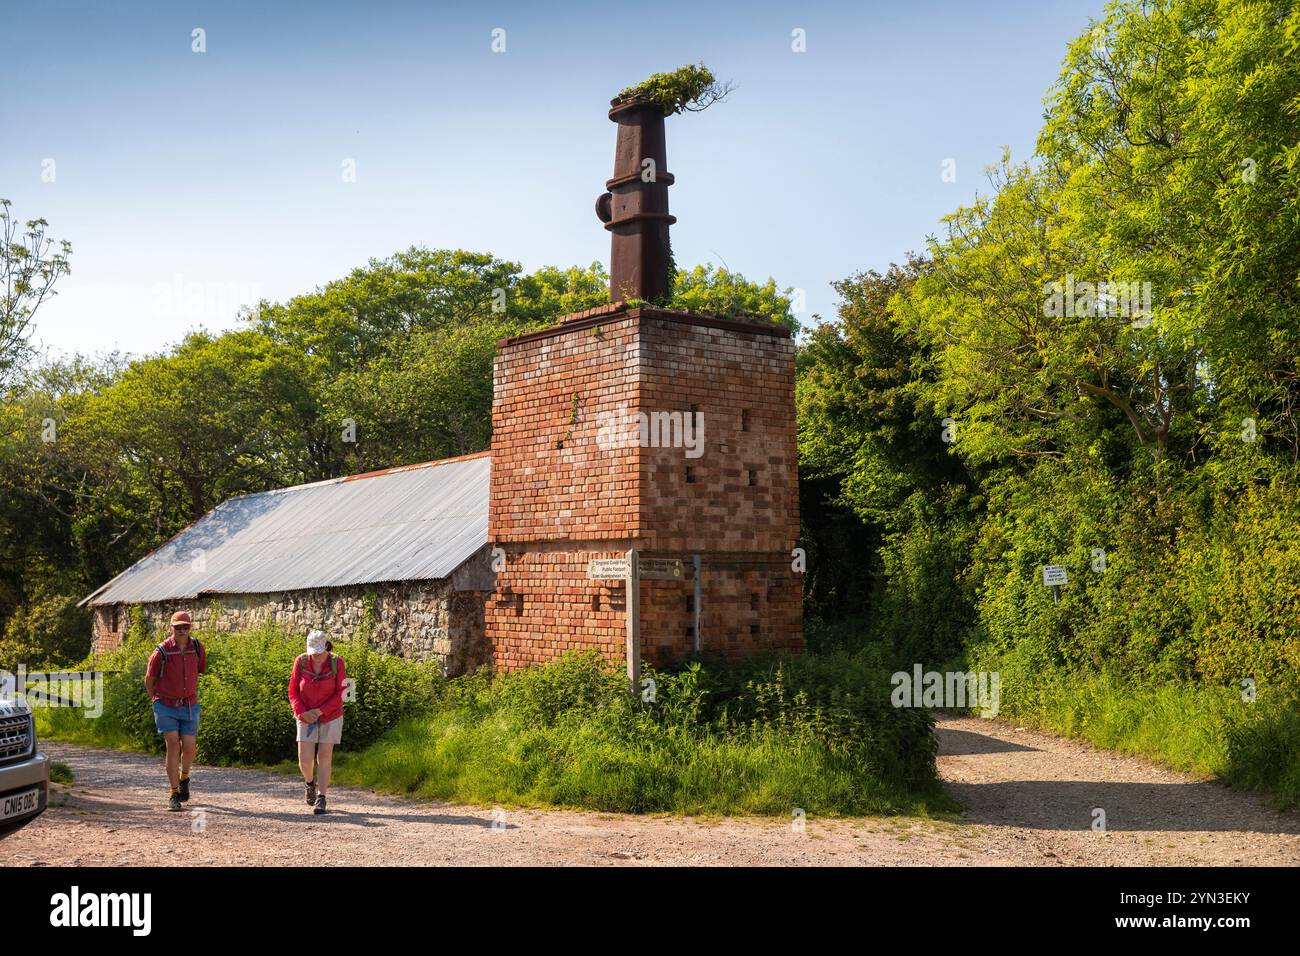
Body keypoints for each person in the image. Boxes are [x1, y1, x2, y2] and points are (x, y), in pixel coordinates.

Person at [143, 611, 206, 812]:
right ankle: (173, 793)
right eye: (178, 627)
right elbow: (149, 679)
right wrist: (155, 700)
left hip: (189, 705)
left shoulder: (197, 648)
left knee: (189, 746)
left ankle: (184, 777)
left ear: (190, 628)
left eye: (185, 627)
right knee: (173, 744)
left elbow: (200, 671)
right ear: (171, 627)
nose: (182, 630)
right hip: (165, 705)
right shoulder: (160, 652)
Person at [289, 629, 347, 815]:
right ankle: (309, 783)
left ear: (326, 647)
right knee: (305, 759)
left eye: (319, 651)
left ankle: (322, 798)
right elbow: (293, 692)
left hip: (331, 716)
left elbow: (345, 693)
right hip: (305, 716)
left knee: (324, 756)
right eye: (312, 651)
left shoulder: (338, 662)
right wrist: (302, 712)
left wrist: (320, 711)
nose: (315, 655)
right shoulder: (301, 661)